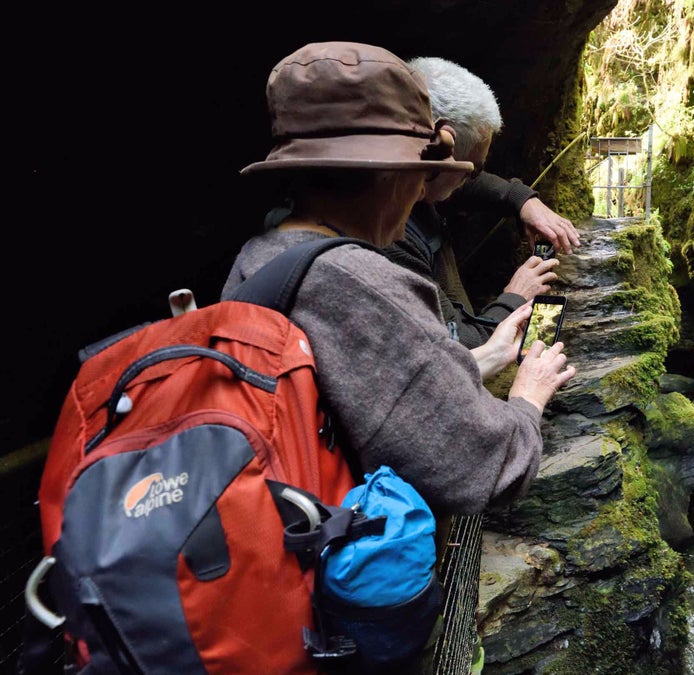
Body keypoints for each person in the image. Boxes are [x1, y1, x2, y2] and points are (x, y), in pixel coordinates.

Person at [224, 41, 576, 517]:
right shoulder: (367, 285)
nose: (426, 192)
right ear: (392, 176)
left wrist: (480, 358)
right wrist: (527, 398)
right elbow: (484, 467)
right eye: (423, 171)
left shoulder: (258, 256)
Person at [384, 56, 565, 349]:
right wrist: (514, 296)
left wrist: (521, 201)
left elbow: (462, 183)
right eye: (472, 169)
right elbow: (462, 346)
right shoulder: (389, 239)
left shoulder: (405, 176)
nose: (471, 179)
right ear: (439, 153)